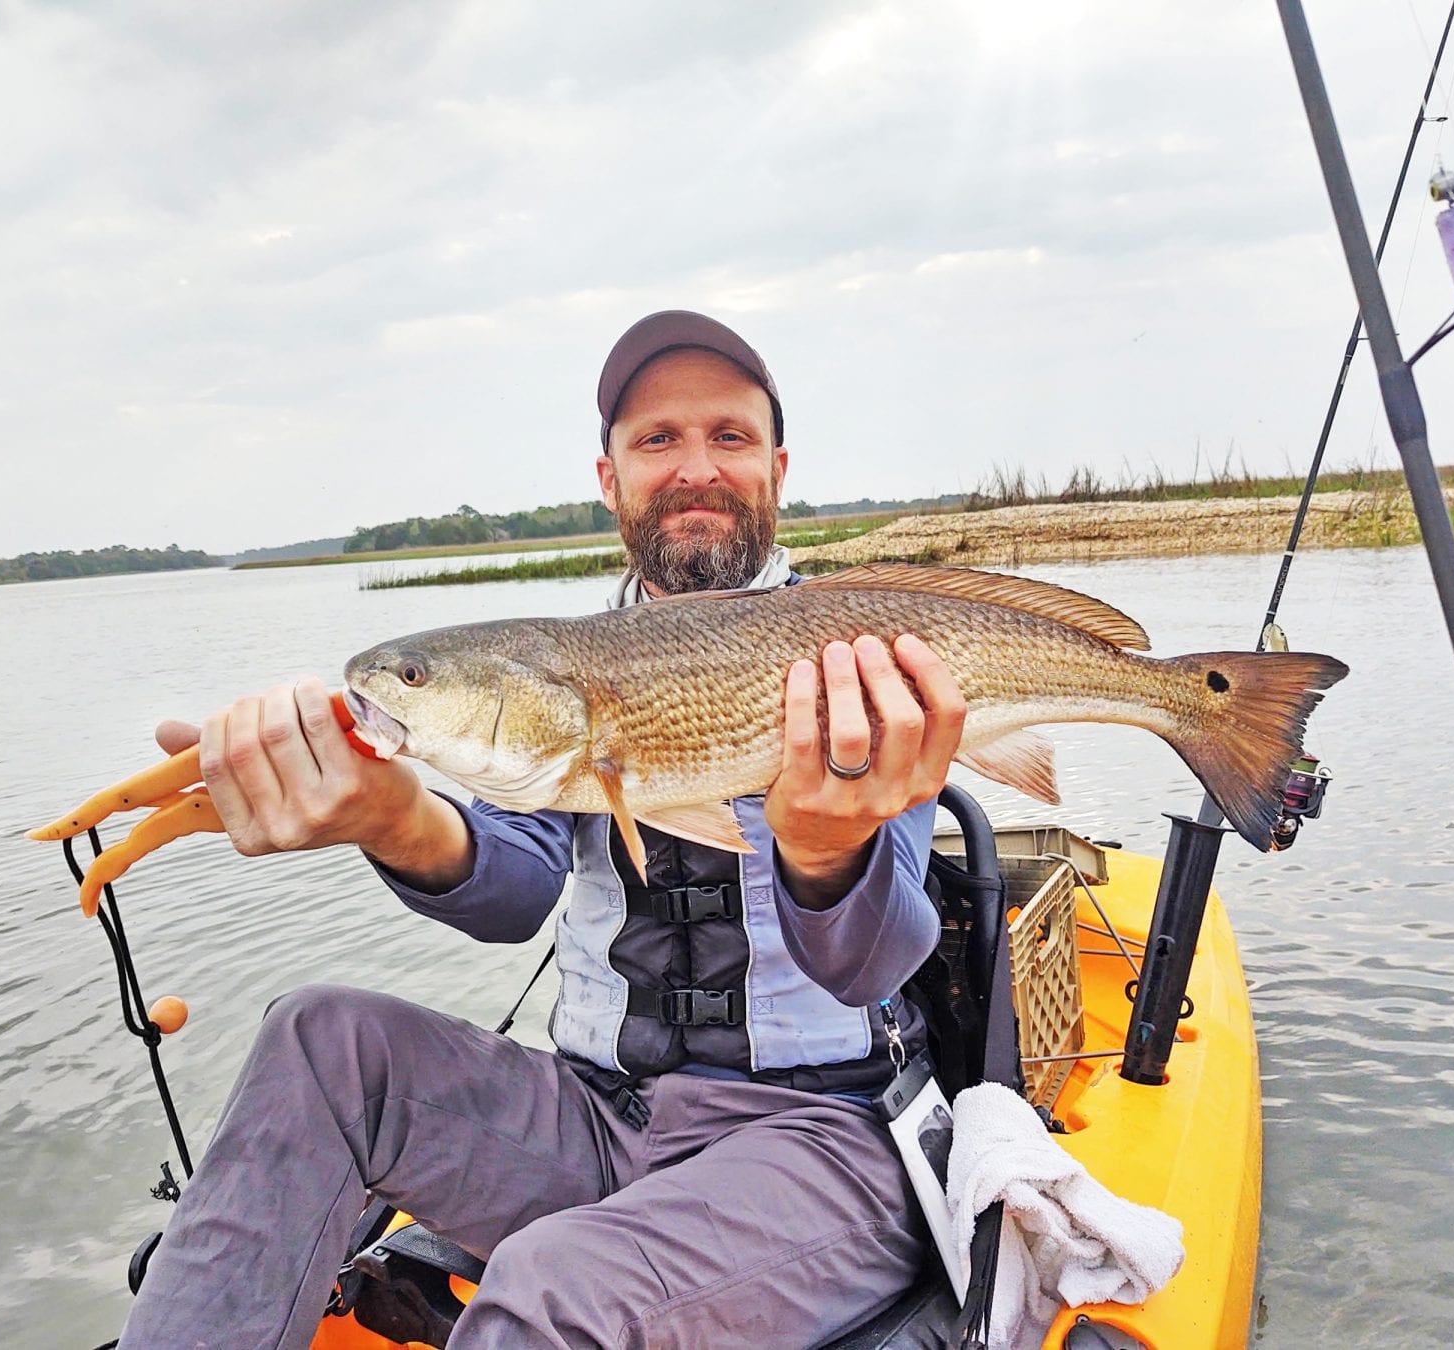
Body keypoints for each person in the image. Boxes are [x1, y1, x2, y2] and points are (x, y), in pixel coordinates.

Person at [118, 311, 969, 1349]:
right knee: (319, 1037)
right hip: (596, 1116)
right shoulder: (550, 665)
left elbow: (873, 964)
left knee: (551, 1288)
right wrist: (391, 815)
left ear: (778, 469)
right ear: (609, 478)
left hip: (822, 1136)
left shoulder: (861, 661)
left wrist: (830, 851)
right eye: (656, 439)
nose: (695, 467)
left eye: (730, 437)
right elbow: (515, 889)